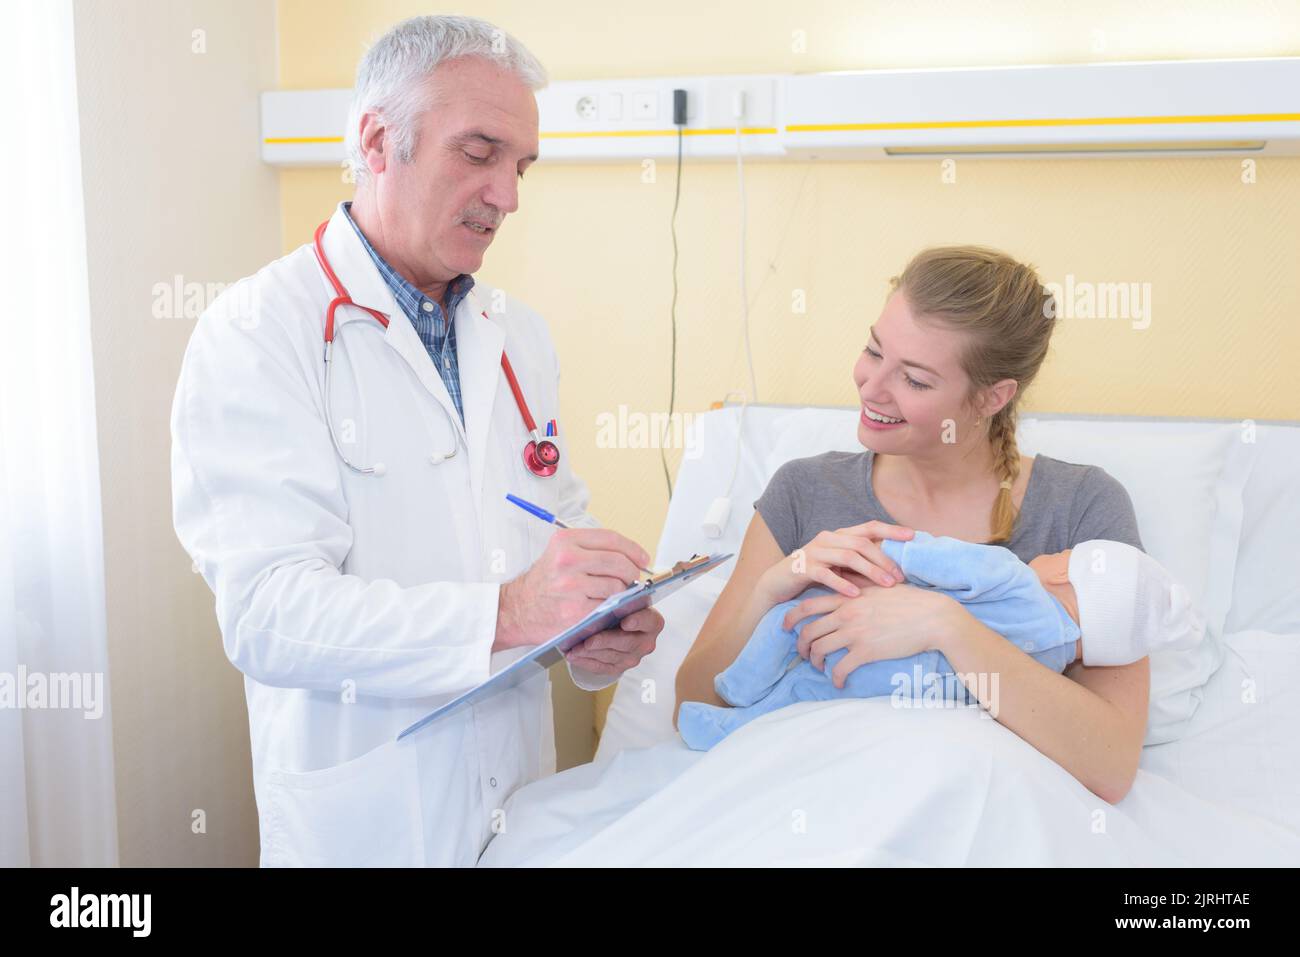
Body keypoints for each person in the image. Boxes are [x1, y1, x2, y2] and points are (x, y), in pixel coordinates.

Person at [171, 15, 663, 866]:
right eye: (480, 153)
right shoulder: (258, 332)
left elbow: (552, 526)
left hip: (517, 811)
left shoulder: (519, 337)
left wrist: (592, 625)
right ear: (377, 140)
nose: (508, 194)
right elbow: (267, 613)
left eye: (521, 165)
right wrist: (509, 613)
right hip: (368, 818)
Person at [675, 245, 1151, 804]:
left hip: (975, 811)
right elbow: (693, 703)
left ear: (992, 397)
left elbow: (1110, 763)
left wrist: (944, 624)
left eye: (915, 381)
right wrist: (768, 589)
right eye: (873, 351)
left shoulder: (1080, 507)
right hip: (799, 803)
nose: (872, 387)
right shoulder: (805, 491)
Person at [678, 532, 1203, 750]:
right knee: (805, 696)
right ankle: (730, 727)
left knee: (788, 627)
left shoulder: (1013, 574)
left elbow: (927, 554)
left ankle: (738, 694)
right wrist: (775, 579)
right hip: (887, 693)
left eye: (916, 377)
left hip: (848, 663)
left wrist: (890, 566)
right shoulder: (1050, 667)